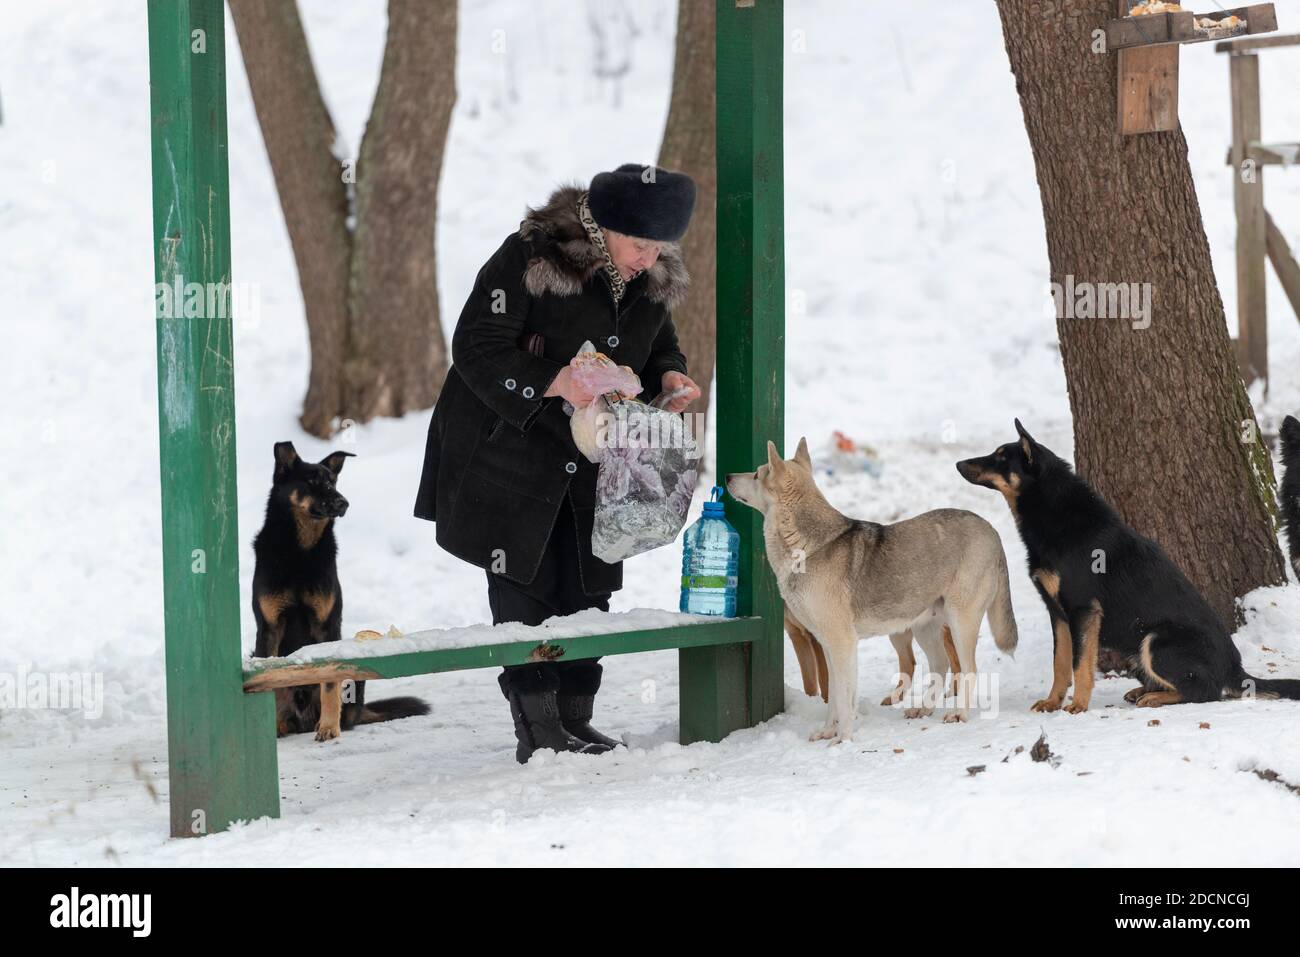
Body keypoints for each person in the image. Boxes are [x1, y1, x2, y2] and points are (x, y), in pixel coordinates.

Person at [414, 164, 701, 763]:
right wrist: (553, 381)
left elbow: (658, 341)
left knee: (589, 582)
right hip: (507, 446)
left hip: (594, 452)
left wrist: (667, 374)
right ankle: (538, 726)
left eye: (658, 247)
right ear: (606, 226)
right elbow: (475, 344)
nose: (648, 259)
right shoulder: (532, 256)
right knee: (526, 583)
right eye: (639, 245)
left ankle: (576, 718)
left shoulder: (651, 276)